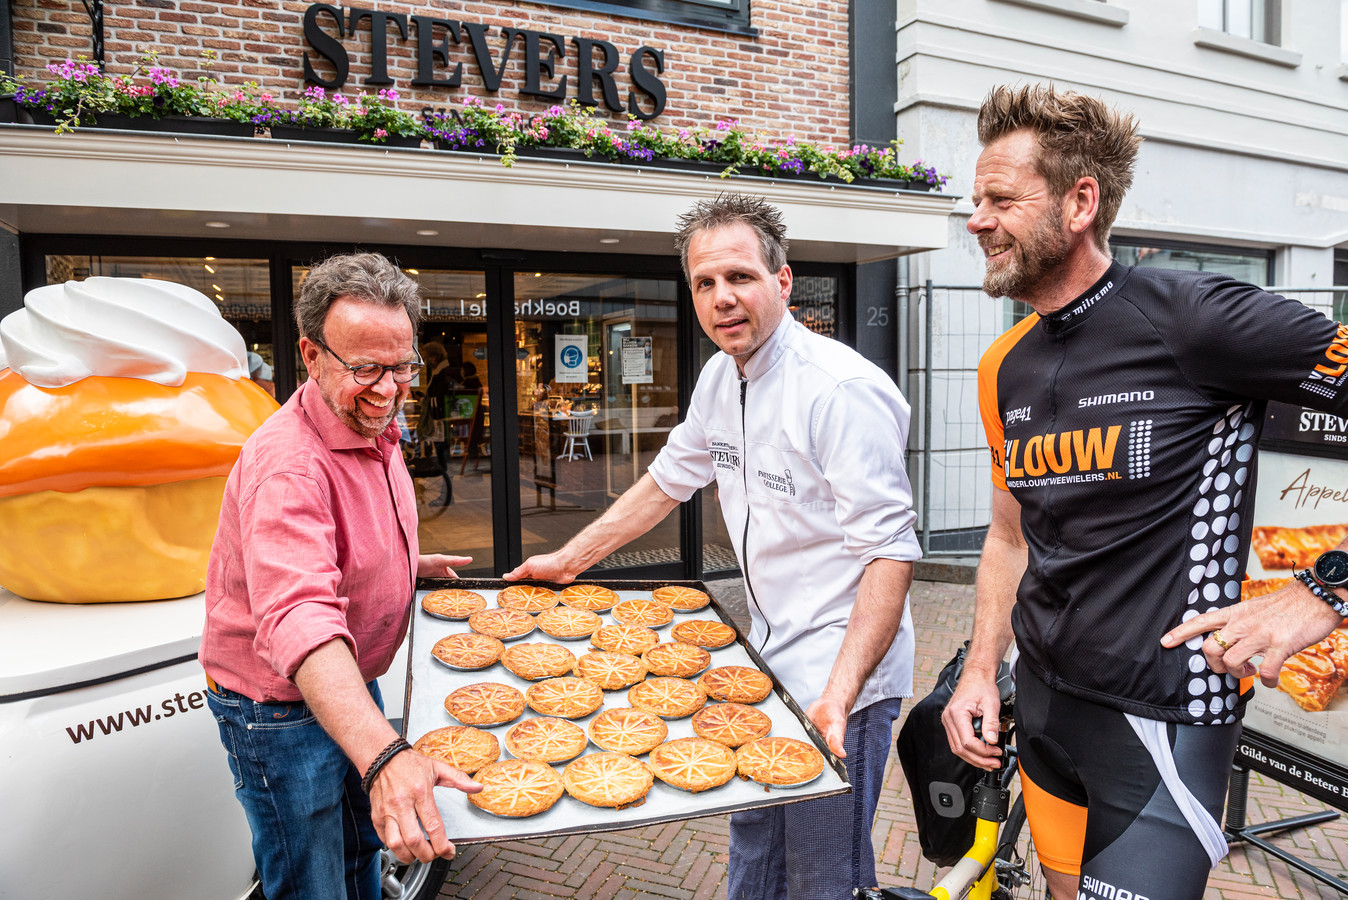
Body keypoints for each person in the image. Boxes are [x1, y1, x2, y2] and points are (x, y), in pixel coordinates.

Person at [940, 84, 1348, 900]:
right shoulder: (1005, 365)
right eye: (974, 199)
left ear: (1080, 201)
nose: (975, 219)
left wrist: (1327, 591)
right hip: (1047, 710)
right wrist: (979, 669)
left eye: (999, 199)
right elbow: (1010, 539)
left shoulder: (1194, 317)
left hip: (1161, 724)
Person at [505, 193, 922, 900]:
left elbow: (891, 553)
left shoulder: (840, 391)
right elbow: (665, 482)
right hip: (763, 663)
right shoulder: (717, 377)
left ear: (782, 282)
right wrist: (568, 560)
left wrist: (839, 695)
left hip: (841, 676)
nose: (722, 298)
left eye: (740, 277)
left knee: (823, 876)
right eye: (705, 283)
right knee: (754, 848)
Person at [201, 252, 480, 900]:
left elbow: (335, 541)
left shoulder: (367, 418)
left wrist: (399, 566)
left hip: (351, 682)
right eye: (366, 369)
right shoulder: (287, 465)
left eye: (402, 367)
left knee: (363, 854)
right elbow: (299, 612)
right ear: (311, 354)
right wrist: (385, 758)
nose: (388, 389)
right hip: (277, 712)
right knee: (314, 883)